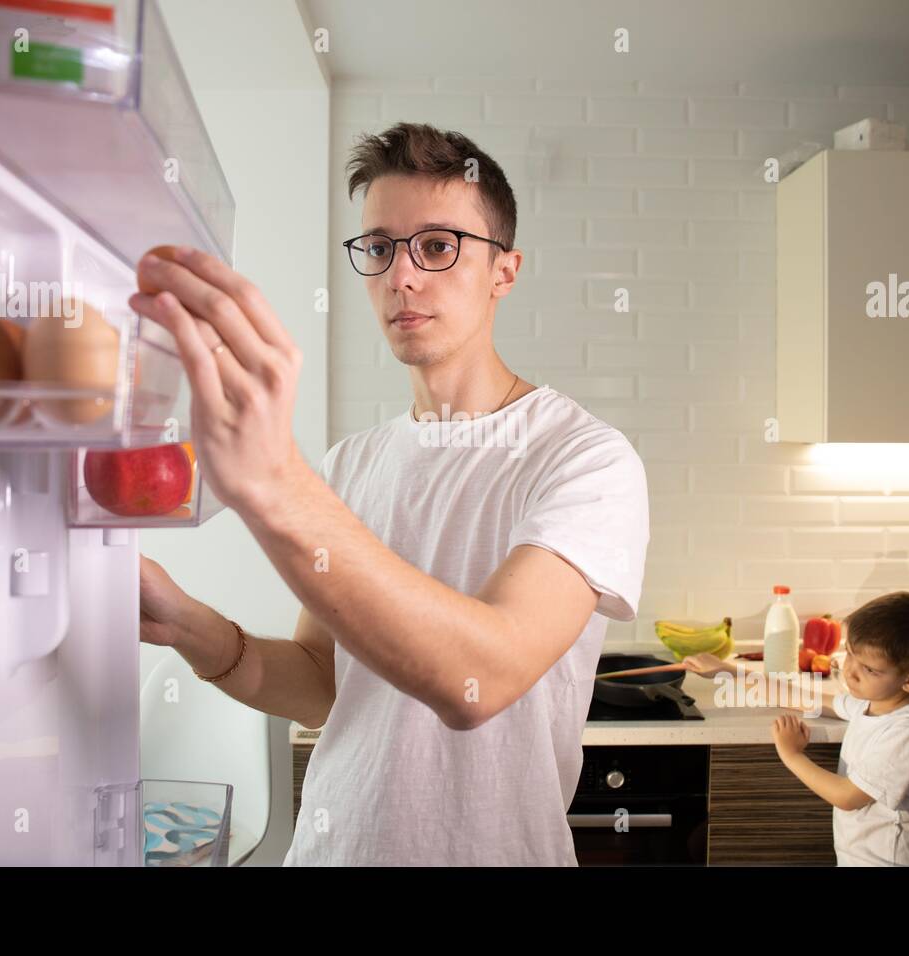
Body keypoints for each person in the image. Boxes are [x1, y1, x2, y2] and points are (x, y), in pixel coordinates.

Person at [133, 122, 650, 865]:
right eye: (379, 248)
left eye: (437, 247)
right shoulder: (353, 464)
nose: (401, 277)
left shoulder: (584, 460)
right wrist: (187, 625)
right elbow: (324, 687)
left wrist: (277, 481)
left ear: (505, 271)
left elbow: (482, 678)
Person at [684, 590, 909, 866]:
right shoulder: (872, 704)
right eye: (850, 653)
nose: (850, 671)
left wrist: (792, 755)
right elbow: (800, 698)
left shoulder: (906, 733)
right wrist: (725, 671)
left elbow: (847, 797)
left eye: (869, 669)